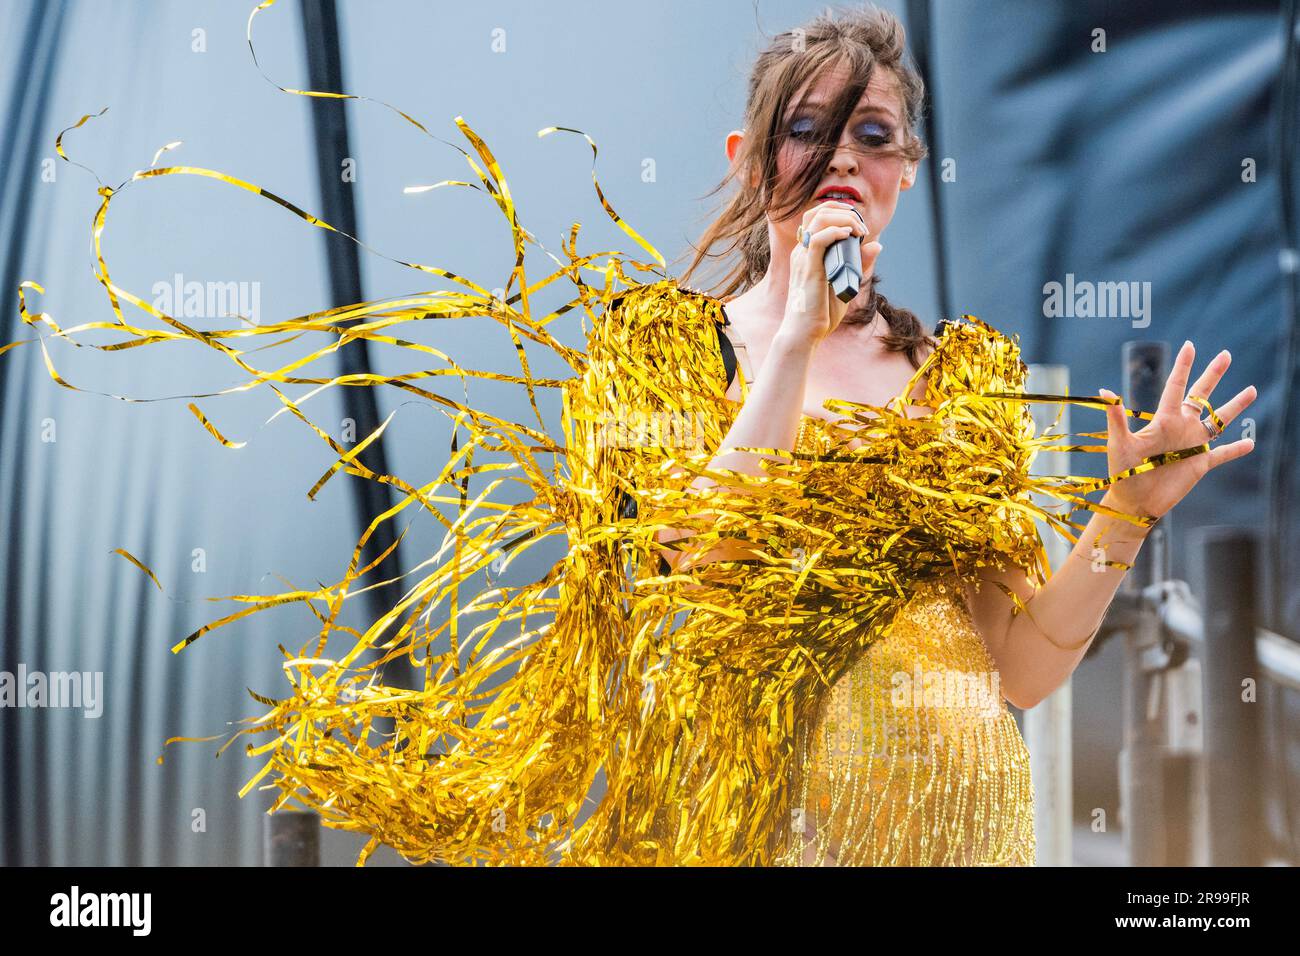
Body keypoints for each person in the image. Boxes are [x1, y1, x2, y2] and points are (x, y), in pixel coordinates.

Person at [10, 1, 1255, 866]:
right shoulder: (653, 345)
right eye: (805, 129)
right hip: (743, 834)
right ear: (748, 157)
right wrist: (783, 343)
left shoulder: (965, 370)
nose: (837, 157)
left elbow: (1023, 665)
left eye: (869, 135)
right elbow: (690, 566)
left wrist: (1121, 515)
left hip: (957, 834)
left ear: (906, 173)